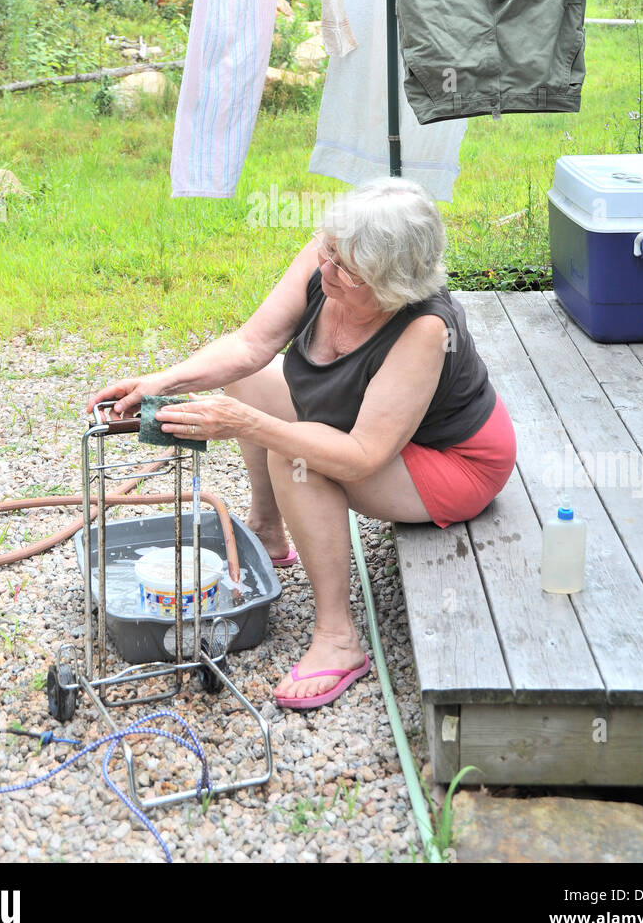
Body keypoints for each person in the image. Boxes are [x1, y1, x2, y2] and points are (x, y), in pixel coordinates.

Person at [86, 177, 516, 711]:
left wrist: (249, 425)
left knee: (295, 455)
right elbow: (249, 345)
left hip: (453, 461)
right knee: (246, 381)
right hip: (367, 424)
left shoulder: (424, 328)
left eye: (346, 270)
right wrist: (160, 383)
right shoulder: (330, 258)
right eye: (329, 252)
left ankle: (339, 635)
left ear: (393, 287)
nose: (327, 269)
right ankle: (268, 530)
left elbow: (362, 457)